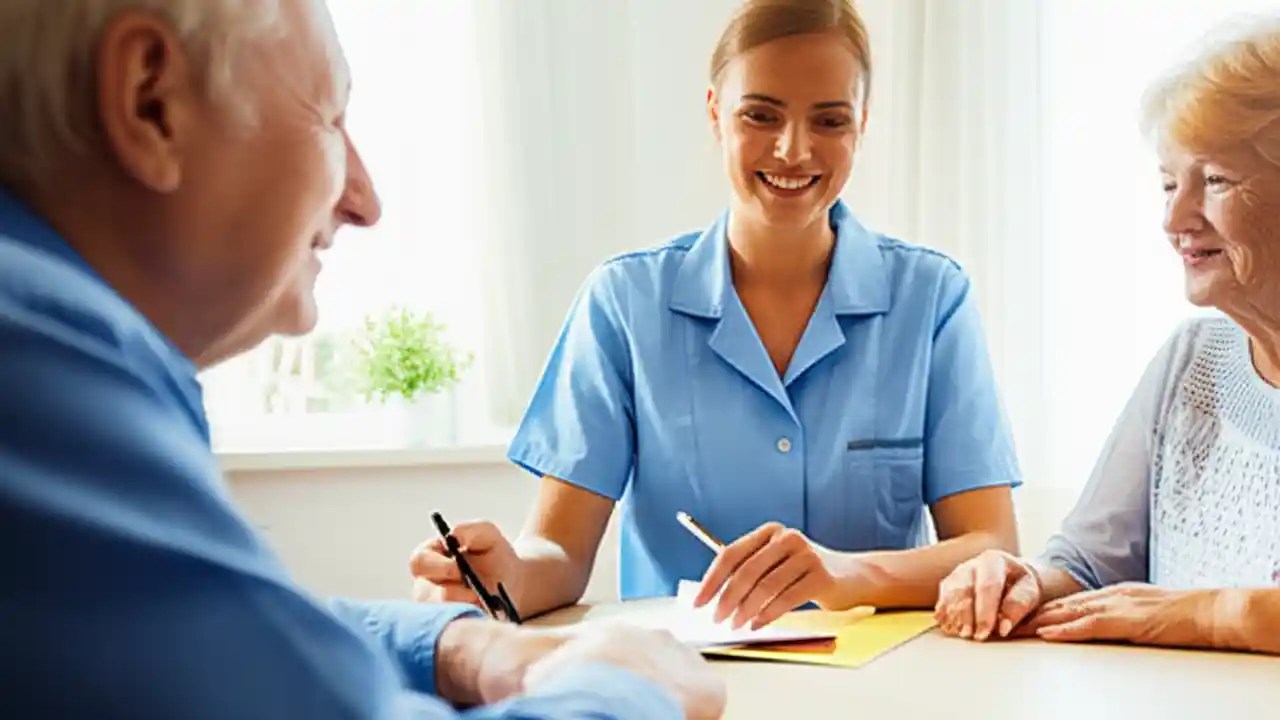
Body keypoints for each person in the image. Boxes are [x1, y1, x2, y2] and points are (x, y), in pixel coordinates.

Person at [0, 0, 725, 717]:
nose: (366, 201)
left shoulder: (47, 349)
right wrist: (631, 691)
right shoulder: (38, 385)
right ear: (150, 100)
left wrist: (460, 648)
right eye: (328, 117)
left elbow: (208, 633)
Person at [411, 0, 1021, 631]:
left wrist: (845, 574)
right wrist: (501, 576)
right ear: (714, 113)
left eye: (829, 120)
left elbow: (991, 547)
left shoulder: (933, 299)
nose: (793, 149)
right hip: (682, 673)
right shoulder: (624, 303)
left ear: (861, 125)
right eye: (761, 115)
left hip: (887, 673)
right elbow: (560, 552)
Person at [934, 17, 1280, 655]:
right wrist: (1021, 582)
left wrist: (1211, 615)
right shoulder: (1190, 362)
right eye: (1170, 184)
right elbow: (1088, 567)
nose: (1175, 219)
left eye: (1216, 181)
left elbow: (1168, 613)